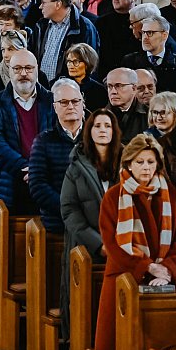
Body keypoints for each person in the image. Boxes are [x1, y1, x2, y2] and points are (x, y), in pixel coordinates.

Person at [94, 134, 176, 350]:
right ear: (128, 163)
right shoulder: (113, 196)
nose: (146, 168)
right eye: (140, 162)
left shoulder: (169, 193)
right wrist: (147, 266)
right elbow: (112, 244)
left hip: (166, 278)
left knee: (165, 349)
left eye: (151, 162)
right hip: (125, 276)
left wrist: (167, 269)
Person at [59, 108, 121, 337]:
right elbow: (69, 210)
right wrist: (99, 244)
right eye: (98, 126)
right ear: (89, 131)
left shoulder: (127, 161)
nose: (103, 130)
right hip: (86, 248)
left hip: (121, 246)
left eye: (107, 126)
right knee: (85, 311)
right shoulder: (77, 165)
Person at [0, 50, 54, 215]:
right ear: (9, 70)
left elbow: (57, 139)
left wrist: (39, 170)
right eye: (17, 69)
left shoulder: (52, 101)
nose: (24, 73)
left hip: (45, 184)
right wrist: (24, 168)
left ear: (37, 70)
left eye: (29, 68)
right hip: (8, 186)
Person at [28, 79, 85, 234]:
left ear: (82, 103)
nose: (71, 106)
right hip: (57, 224)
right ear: (55, 107)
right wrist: (68, 208)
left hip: (93, 224)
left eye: (75, 101)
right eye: (64, 102)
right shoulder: (43, 141)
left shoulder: (96, 137)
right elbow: (38, 186)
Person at [121, 16, 176, 99]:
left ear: (164, 35)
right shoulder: (129, 62)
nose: (145, 38)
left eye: (150, 33)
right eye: (143, 32)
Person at [104, 67, 147, 143]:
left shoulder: (149, 116)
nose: (113, 92)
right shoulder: (99, 116)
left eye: (119, 86)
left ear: (134, 89)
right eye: (110, 86)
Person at [63, 43, 107, 111]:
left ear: (87, 63)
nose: (71, 65)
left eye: (76, 61)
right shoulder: (61, 86)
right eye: (69, 61)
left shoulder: (99, 91)